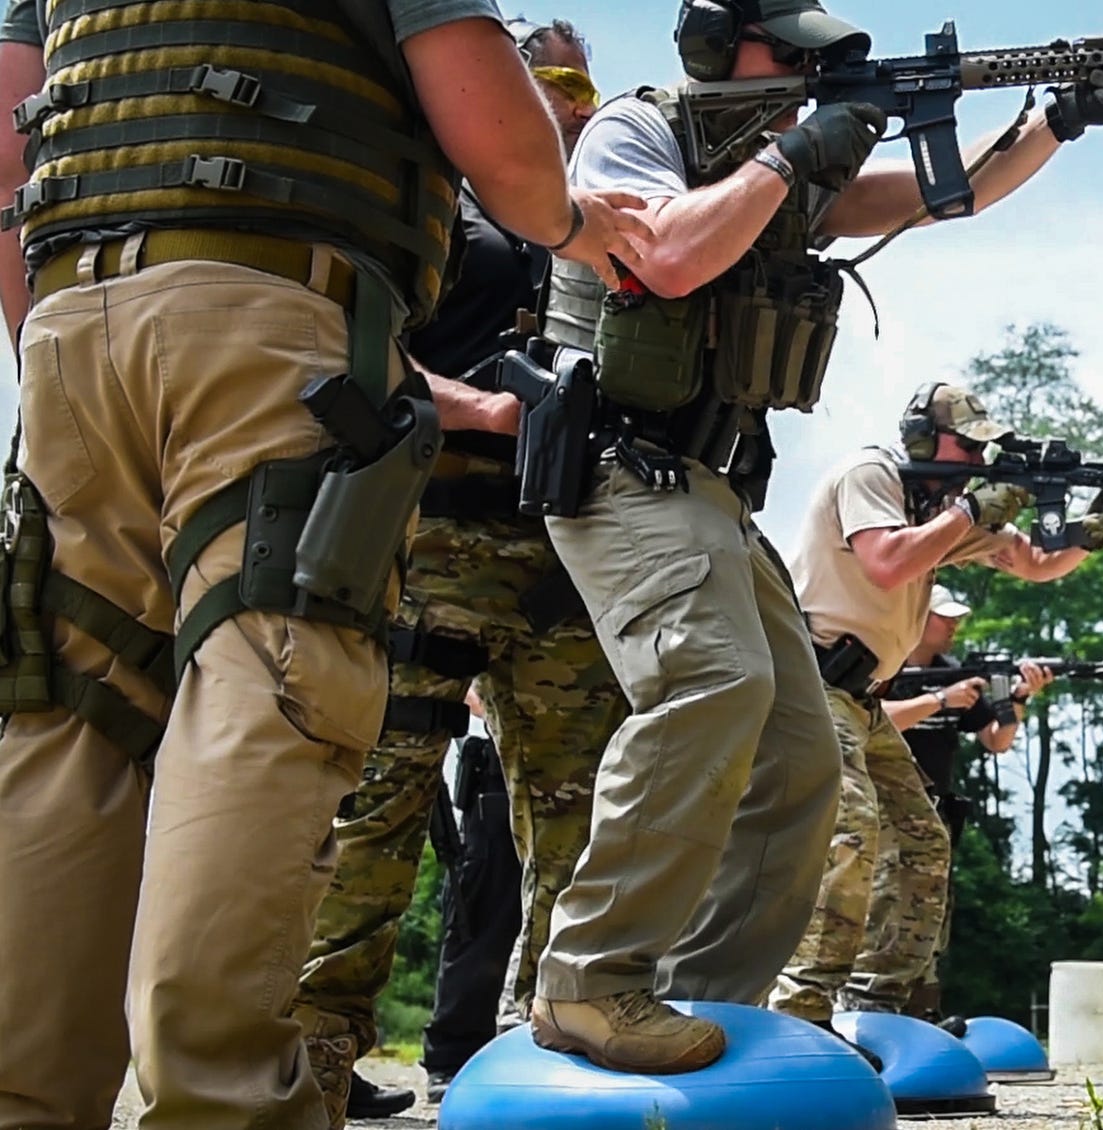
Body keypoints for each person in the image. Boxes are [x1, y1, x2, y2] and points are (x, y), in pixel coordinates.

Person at [0, 1, 642, 1126]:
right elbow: (499, 138)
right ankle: (218, 1105)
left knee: (69, 712)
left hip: (70, 327)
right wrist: (580, 221)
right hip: (269, 307)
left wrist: (51, 329)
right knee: (270, 686)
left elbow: (9, 143)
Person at [528, 0, 1103, 1076]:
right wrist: (794, 150)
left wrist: (1059, 118)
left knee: (799, 755)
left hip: (712, 483)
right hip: (617, 462)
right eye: (794, 55)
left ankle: (706, 1003)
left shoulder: (774, 181)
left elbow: (936, 194)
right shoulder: (635, 132)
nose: (812, 77)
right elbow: (667, 256)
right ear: (715, 50)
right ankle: (589, 979)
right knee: (712, 683)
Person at [288, 17, 630, 1125]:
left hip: (567, 550)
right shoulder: (437, 202)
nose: (571, 106)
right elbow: (348, 353)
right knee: (375, 808)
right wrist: (490, 405)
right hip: (427, 534)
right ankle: (316, 1062)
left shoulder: (597, 227)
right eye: (548, 85)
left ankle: (548, 1062)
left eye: (584, 86)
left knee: (577, 816)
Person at [771, 382, 1103, 1029]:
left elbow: (1034, 563)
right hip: (808, 684)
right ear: (921, 440)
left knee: (922, 840)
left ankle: (874, 1007)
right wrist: (973, 513)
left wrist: (1090, 534)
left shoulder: (941, 511)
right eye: (966, 448)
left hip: (863, 699)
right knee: (850, 834)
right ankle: (798, 1012)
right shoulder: (870, 474)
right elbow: (885, 562)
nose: (973, 464)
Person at [879, 586, 1052, 1025]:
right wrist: (939, 701)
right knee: (878, 907)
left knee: (931, 913)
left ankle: (923, 1009)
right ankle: (871, 1005)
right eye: (943, 617)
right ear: (917, 614)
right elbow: (869, 716)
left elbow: (997, 741)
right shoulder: (882, 662)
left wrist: (1017, 699)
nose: (953, 626)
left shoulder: (953, 672)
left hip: (934, 809)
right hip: (880, 805)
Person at [420, 690, 524, 1104]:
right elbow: (469, 691)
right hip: (496, 760)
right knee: (477, 918)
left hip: (573, 754)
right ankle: (454, 1057)